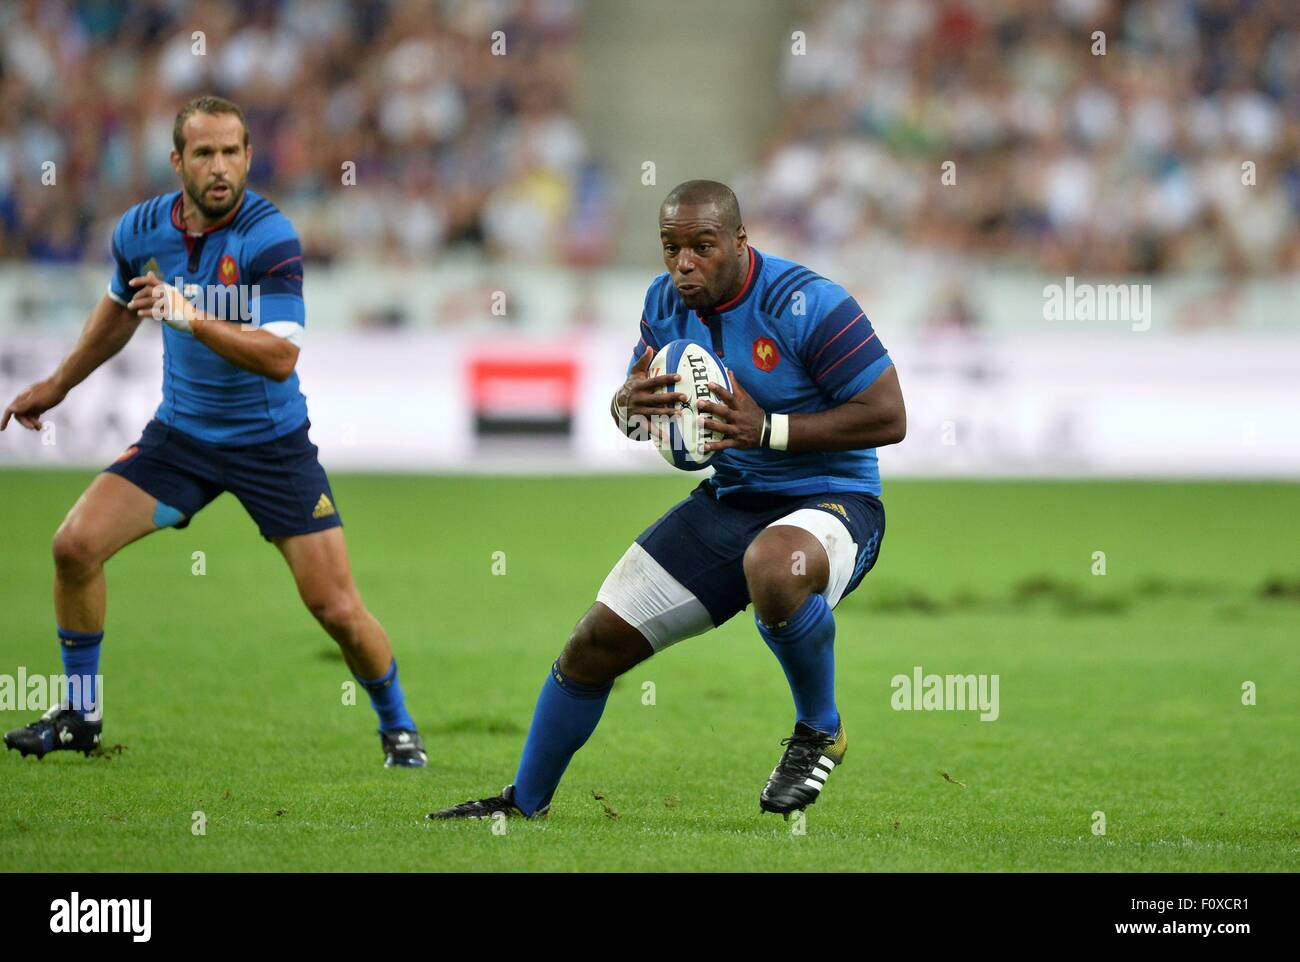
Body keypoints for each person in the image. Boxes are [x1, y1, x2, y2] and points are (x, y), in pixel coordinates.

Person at [430, 180, 905, 819]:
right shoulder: (664, 303)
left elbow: (889, 416)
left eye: (702, 246)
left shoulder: (809, 304)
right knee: (593, 644)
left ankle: (819, 729)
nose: (684, 264)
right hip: (731, 499)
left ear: (740, 240)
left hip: (835, 502)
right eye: (671, 248)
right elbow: (637, 403)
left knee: (774, 565)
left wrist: (769, 430)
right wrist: (626, 407)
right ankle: (523, 805)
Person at [2, 96, 426, 768]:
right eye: (204, 153)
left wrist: (191, 317)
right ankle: (82, 716)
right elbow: (118, 310)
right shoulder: (141, 231)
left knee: (336, 608)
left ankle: (398, 726)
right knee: (73, 547)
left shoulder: (270, 236)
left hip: (272, 448)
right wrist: (56, 386)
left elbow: (281, 355)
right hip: (182, 440)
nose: (220, 166)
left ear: (250, 156)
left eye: (232, 152)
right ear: (177, 162)